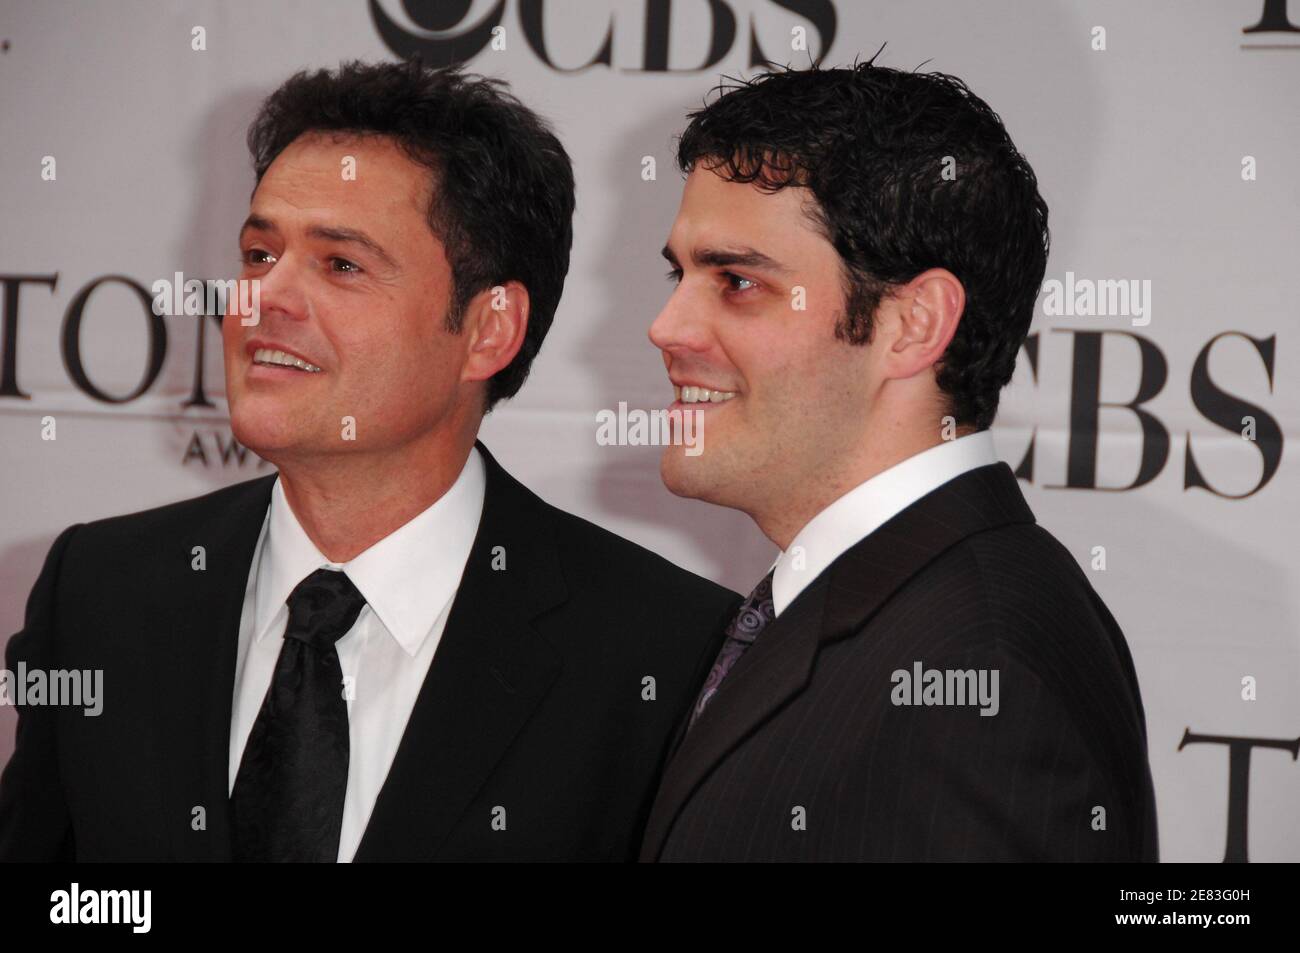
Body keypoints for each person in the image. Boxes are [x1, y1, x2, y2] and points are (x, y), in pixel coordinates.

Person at [0, 59, 736, 862]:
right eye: (257, 254)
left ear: (489, 330)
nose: (262, 300)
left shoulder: (664, 653)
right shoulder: (102, 591)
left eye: (340, 264)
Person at [640, 61, 1159, 861]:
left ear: (914, 325)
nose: (668, 327)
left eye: (737, 281)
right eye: (681, 275)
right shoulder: (882, 604)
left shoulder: (978, 667)